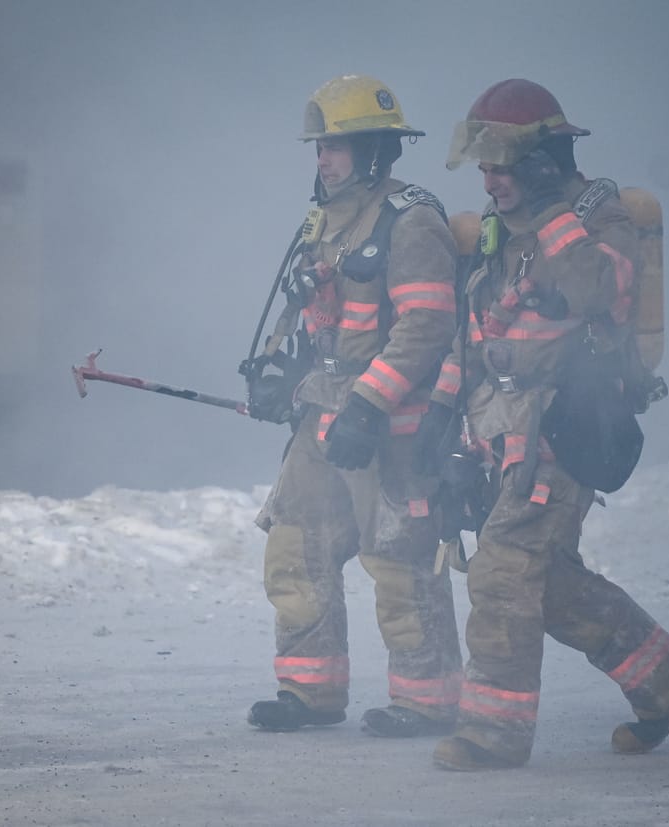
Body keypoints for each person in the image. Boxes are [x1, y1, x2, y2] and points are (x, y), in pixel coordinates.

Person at [418, 78, 669, 770]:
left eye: (501, 165)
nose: (490, 181)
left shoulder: (595, 214)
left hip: (563, 429)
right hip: (499, 429)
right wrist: (440, 416)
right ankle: (667, 683)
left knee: (503, 576)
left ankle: (493, 734)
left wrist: (551, 208)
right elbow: (472, 330)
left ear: (542, 159)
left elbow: (600, 289)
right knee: (548, 585)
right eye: (482, 167)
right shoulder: (497, 228)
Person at [245, 75, 463, 738]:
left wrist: (368, 405)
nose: (322, 160)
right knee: (295, 541)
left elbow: (426, 325)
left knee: (397, 553)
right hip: (325, 413)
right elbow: (313, 312)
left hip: (388, 423)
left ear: (372, 151)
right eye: (319, 149)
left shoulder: (412, 220)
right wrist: (282, 370)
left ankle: (428, 700)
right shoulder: (326, 219)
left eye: (335, 148)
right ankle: (308, 691)